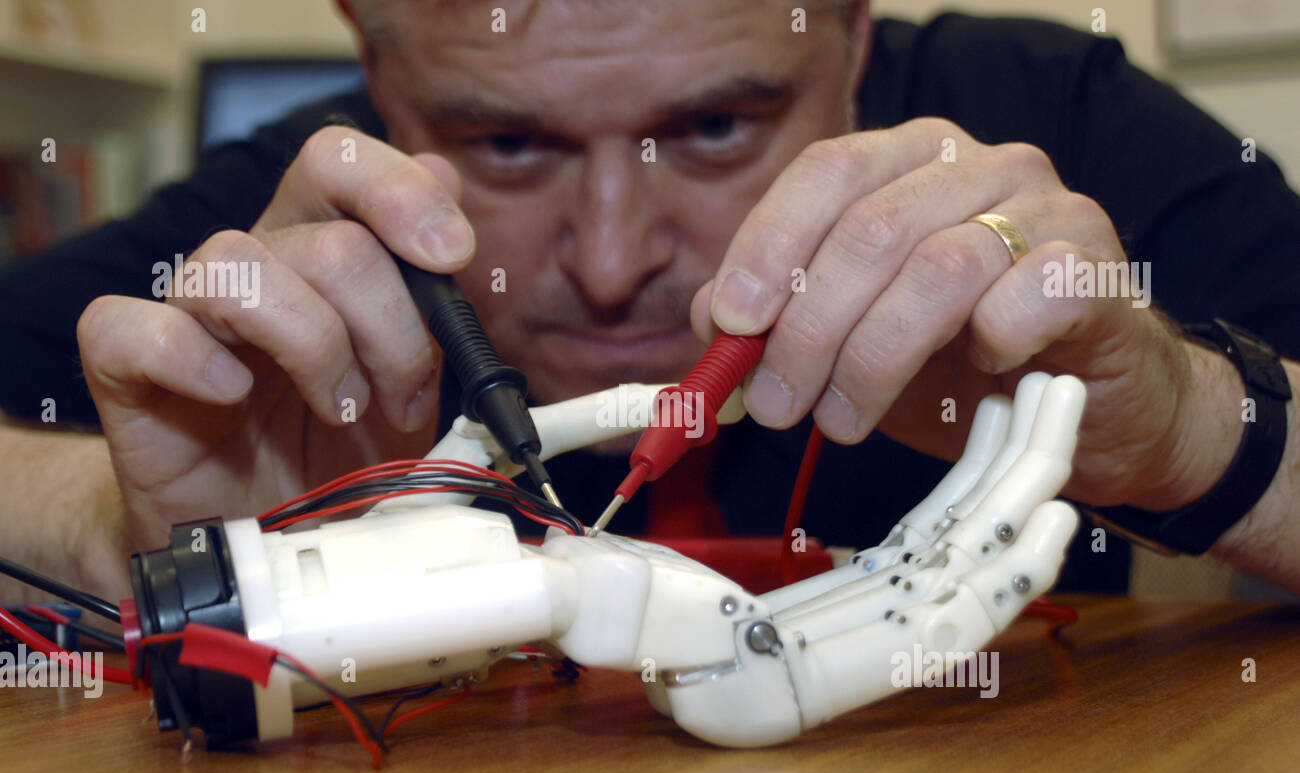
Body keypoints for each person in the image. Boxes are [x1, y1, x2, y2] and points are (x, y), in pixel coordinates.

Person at [0, 0, 1297, 609]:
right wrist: (136, 533)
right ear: (371, 67)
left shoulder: (1052, 118)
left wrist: (1191, 430)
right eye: (509, 147)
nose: (613, 261)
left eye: (720, 126)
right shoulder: (305, 215)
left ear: (849, 37)